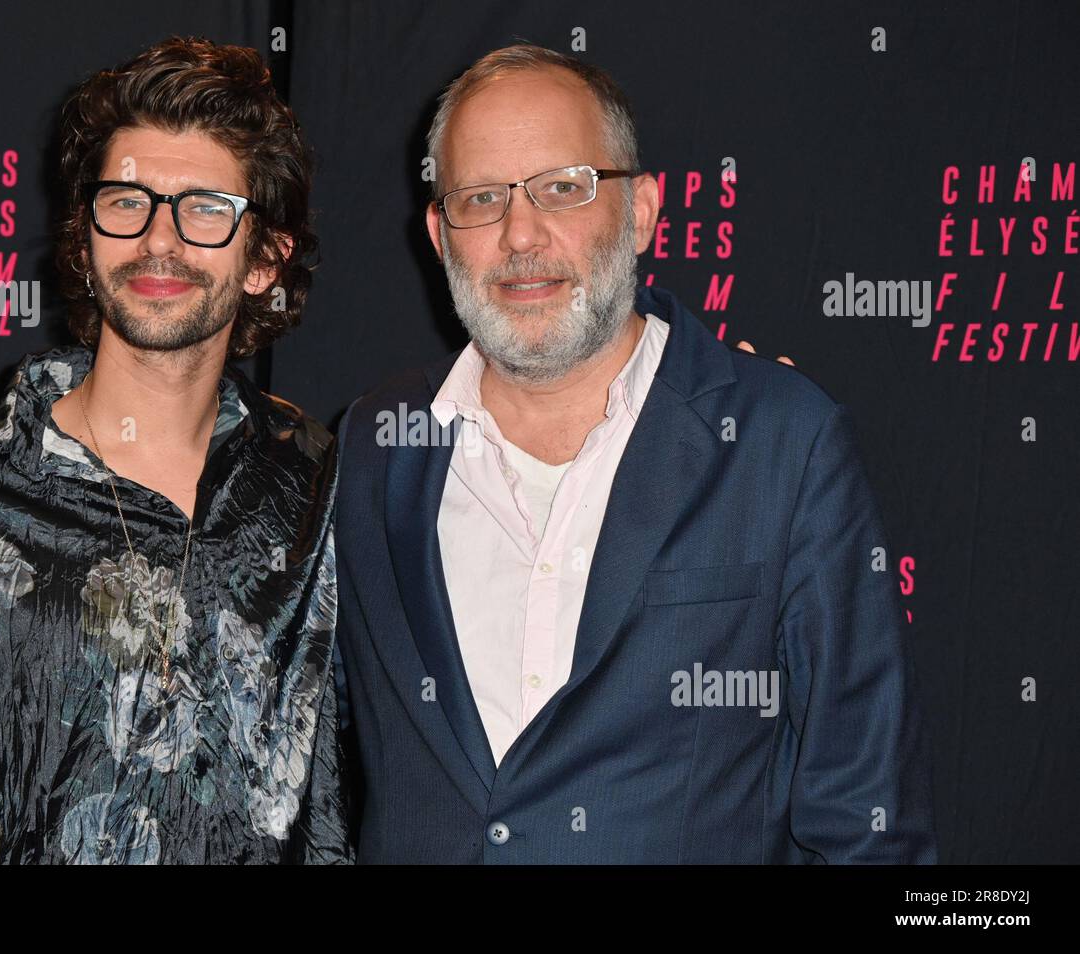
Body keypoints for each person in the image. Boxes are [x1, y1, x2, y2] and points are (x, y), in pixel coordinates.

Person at [332, 44, 938, 863]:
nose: (520, 235)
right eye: (481, 198)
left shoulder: (781, 442)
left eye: (563, 188)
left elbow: (866, 827)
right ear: (440, 234)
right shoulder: (372, 449)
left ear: (645, 210)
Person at [0, 37, 352, 864]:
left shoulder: (328, 493)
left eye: (206, 207)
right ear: (85, 235)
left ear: (264, 260)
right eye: (126, 200)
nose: (158, 239)